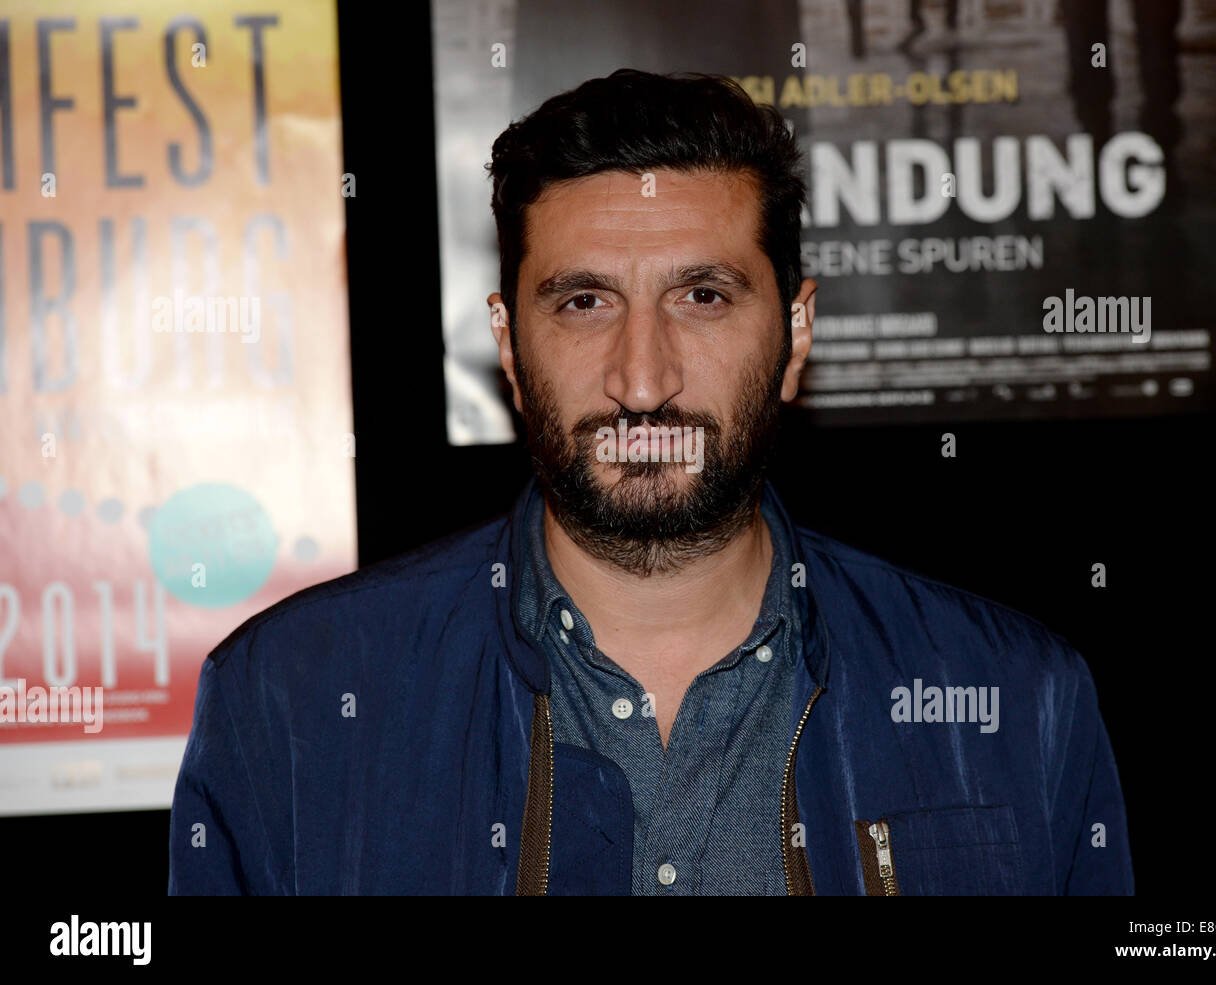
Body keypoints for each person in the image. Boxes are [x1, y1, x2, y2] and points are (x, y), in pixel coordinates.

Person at [168, 69, 1133, 895]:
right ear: (508, 345)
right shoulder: (290, 703)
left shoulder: (1014, 696)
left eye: (702, 298)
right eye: (585, 302)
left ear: (796, 334)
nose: (643, 380)